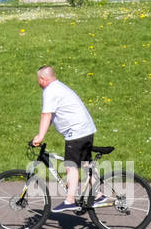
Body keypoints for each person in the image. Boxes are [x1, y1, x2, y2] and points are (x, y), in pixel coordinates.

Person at [31, 64, 105, 213]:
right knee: (85, 164)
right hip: (86, 129)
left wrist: (40, 136)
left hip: (76, 131)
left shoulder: (50, 91)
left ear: (42, 79)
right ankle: (99, 194)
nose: (38, 82)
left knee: (70, 165)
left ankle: (70, 200)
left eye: (38, 80)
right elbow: (51, 115)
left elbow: (46, 115)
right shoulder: (59, 87)